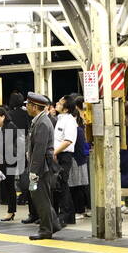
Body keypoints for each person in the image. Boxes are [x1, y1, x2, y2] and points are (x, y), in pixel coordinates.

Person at [24, 92, 63, 239]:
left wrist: (33, 171)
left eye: (28, 105)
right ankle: (54, 224)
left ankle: (46, 230)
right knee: (43, 197)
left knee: (41, 199)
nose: (26, 107)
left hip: (42, 168)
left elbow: (39, 150)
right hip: (42, 167)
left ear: (34, 107)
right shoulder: (40, 120)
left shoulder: (42, 123)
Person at [53, 95, 78, 226]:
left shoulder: (69, 121)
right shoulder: (60, 119)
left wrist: (54, 152)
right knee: (59, 186)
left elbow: (68, 141)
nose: (57, 103)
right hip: (58, 155)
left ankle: (66, 215)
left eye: (60, 102)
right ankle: (66, 215)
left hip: (64, 156)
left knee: (62, 184)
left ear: (66, 109)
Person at [0, 106, 17, 222]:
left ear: (3, 117)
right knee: (1, 187)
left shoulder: (10, 127)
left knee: (9, 186)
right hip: (2, 161)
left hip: (9, 161)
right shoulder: (1, 128)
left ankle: (11, 212)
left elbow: (5, 145)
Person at [68, 94, 91, 219]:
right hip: (83, 155)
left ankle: (82, 209)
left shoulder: (79, 125)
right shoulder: (82, 122)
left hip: (80, 156)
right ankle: (86, 208)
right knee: (82, 184)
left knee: (80, 184)